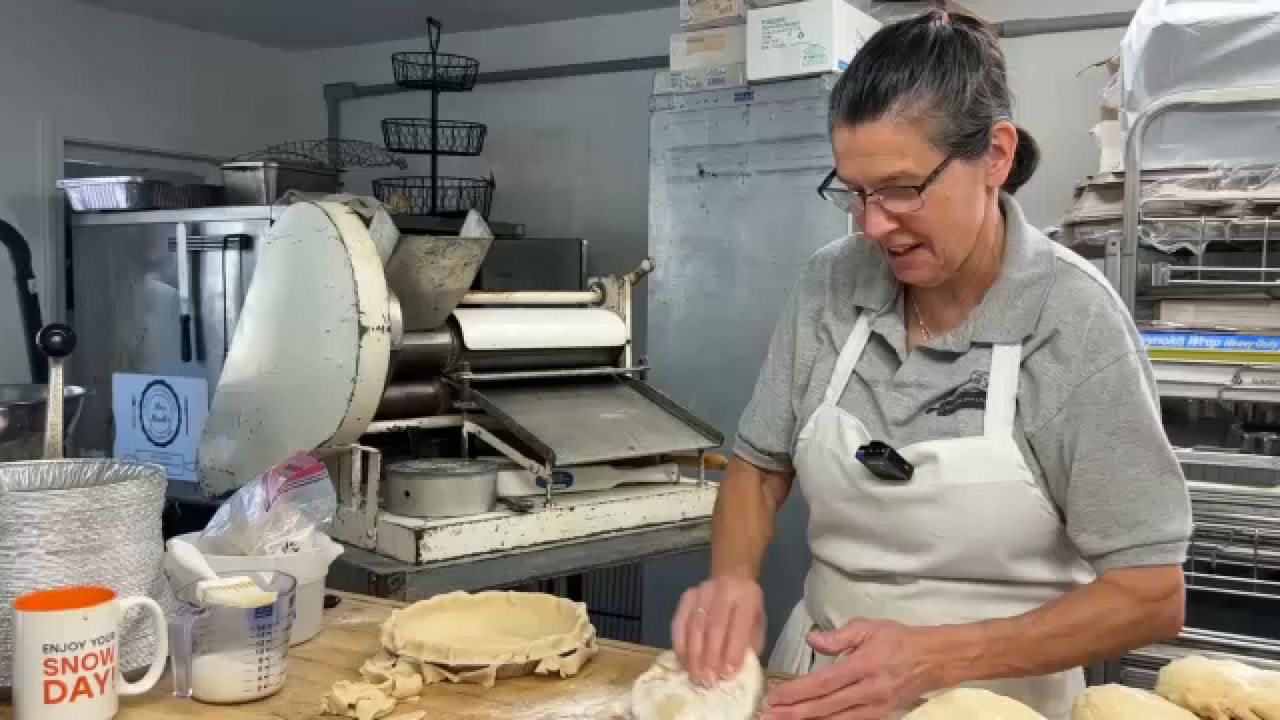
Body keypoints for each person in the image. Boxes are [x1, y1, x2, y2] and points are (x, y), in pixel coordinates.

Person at [670, 10, 1191, 720]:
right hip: (818, 689)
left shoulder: (1073, 323)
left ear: (996, 157)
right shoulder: (831, 285)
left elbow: (1151, 594)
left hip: (997, 702)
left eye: (902, 189)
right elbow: (758, 468)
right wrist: (733, 579)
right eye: (855, 193)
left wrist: (936, 657)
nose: (874, 224)